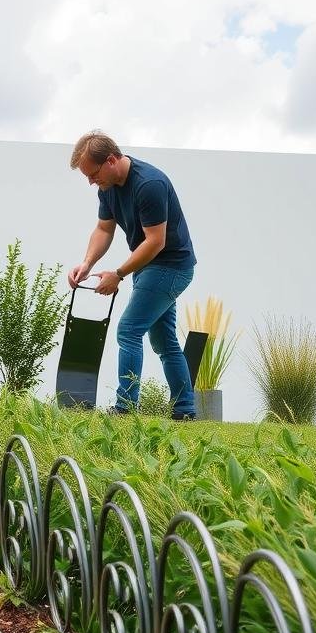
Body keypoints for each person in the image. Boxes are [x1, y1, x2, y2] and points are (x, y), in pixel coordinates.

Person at [67, 131, 198, 420]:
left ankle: (125, 408)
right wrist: (87, 263)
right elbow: (104, 229)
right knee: (164, 342)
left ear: (111, 160)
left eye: (93, 174)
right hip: (149, 267)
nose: (91, 182)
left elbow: (156, 241)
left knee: (128, 330)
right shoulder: (108, 188)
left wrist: (118, 274)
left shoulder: (149, 184)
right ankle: (185, 410)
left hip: (171, 266)